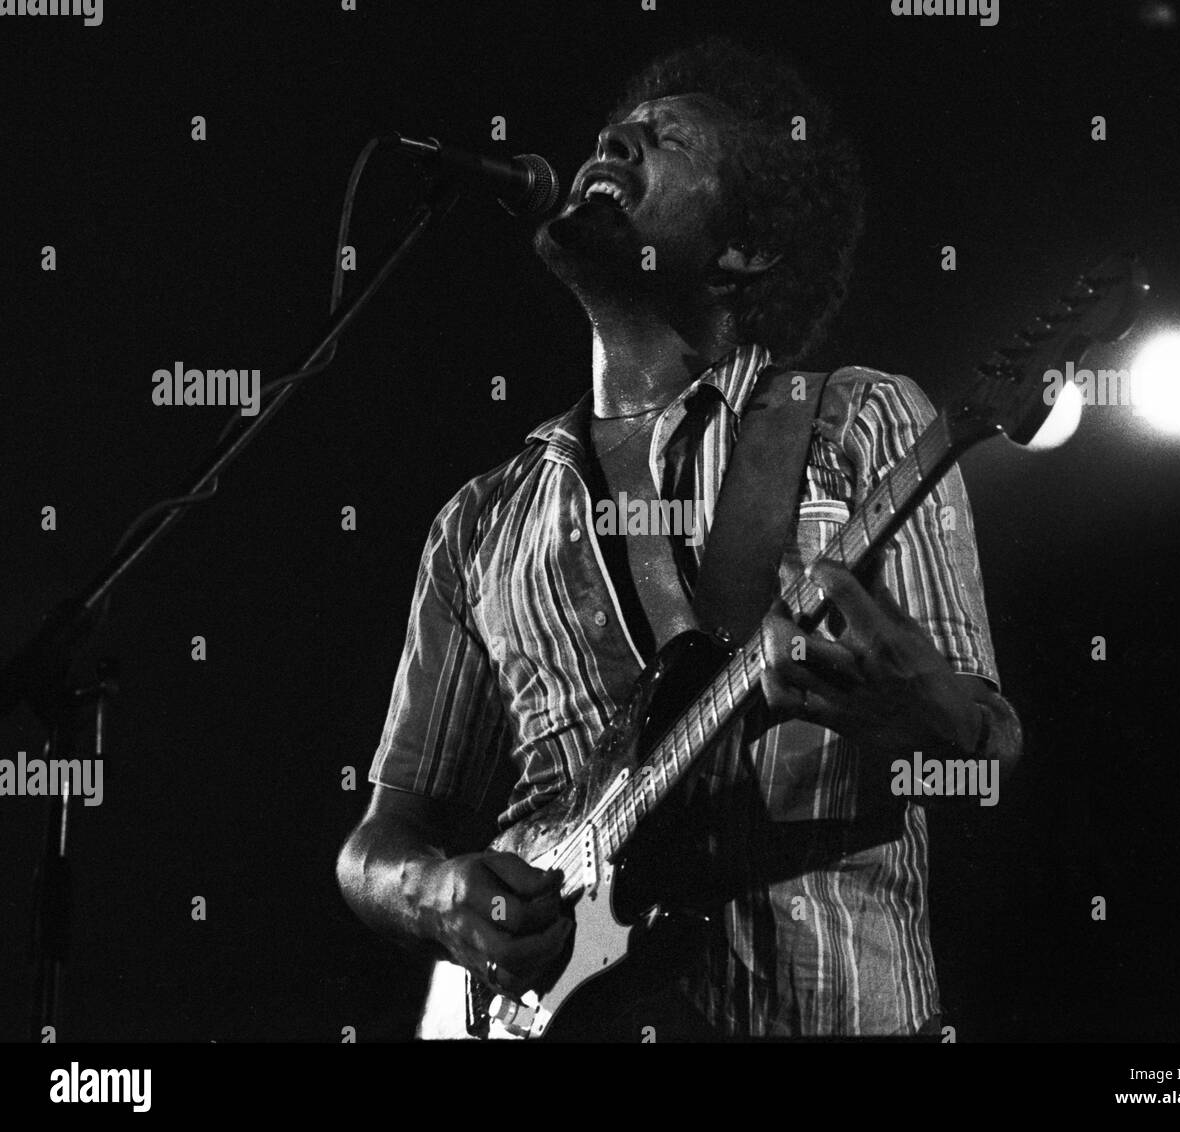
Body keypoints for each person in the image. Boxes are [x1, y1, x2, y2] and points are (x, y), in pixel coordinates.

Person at [336, 37, 1022, 1039]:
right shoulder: (479, 519)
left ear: (744, 249)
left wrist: (923, 709)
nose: (613, 140)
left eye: (665, 141)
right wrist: (438, 896)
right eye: (614, 132)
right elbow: (381, 840)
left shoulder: (856, 420)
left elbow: (990, 750)